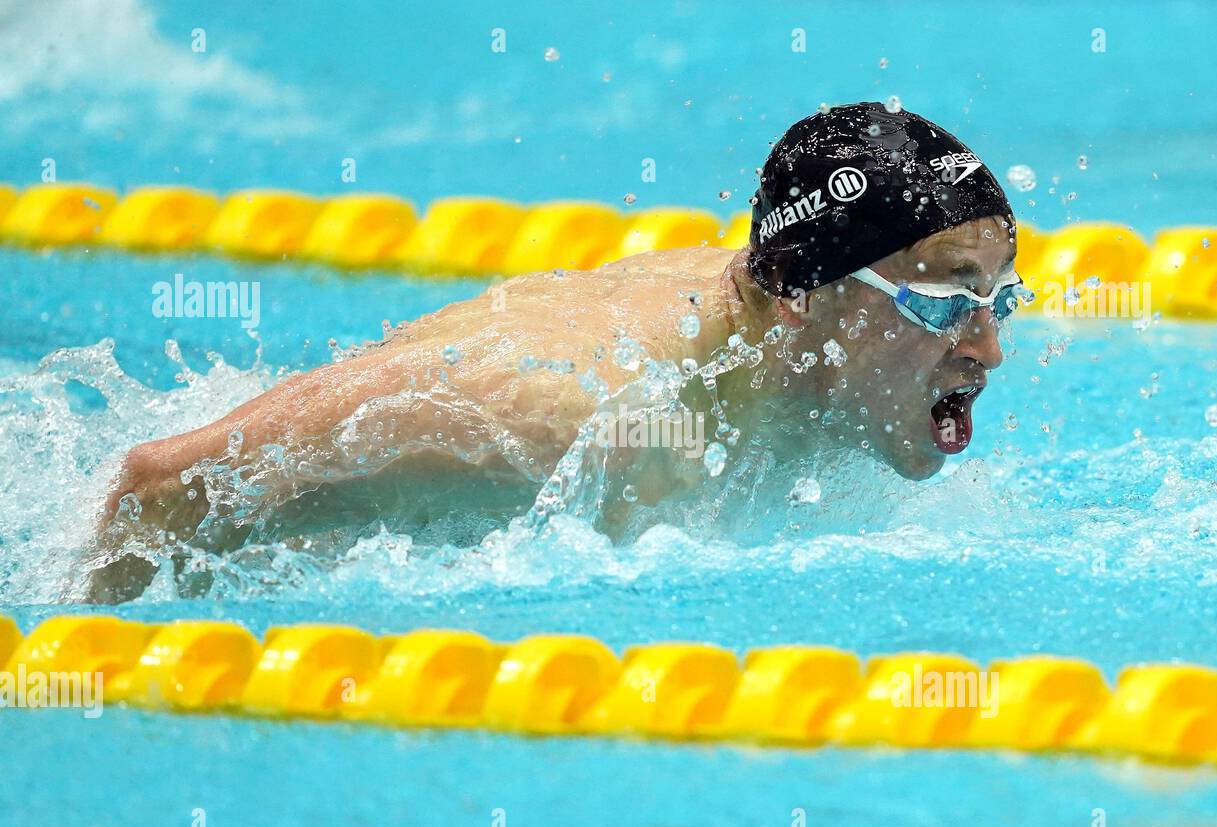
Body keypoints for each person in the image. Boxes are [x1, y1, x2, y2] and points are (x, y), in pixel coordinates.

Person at [86, 101, 1022, 602]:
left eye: (998, 297)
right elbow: (160, 488)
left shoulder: (804, 330)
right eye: (943, 299)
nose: (987, 347)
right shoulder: (562, 419)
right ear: (800, 303)